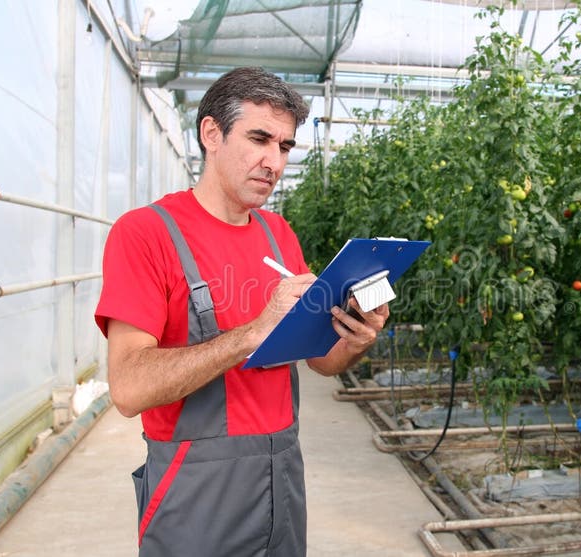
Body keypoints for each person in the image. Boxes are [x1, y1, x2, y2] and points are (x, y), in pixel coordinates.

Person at [94, 66, 389, 557]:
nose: (273, 161)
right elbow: (127, 388)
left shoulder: (280, 236)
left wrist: (353, 340)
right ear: (212, 133)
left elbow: (320, 361)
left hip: (283, 481)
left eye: (285, 146)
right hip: (194, 494)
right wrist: (250, 334)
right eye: (259, 139)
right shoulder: (146, 234)